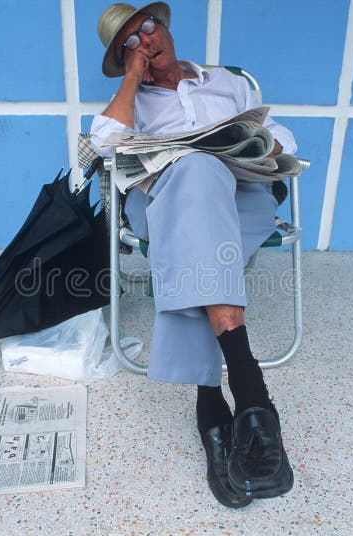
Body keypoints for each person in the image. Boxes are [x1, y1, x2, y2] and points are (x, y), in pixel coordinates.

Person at [90, 2, 297, 508]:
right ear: (124, 59)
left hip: (243, 198)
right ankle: (251, 395)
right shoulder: (131, 100)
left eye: (147, 28)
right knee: (196, 172)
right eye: (130, 43)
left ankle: (213, 413)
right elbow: (105, 145)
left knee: (200, 232)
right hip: (163, 206)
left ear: (164, 26)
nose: (145, 41)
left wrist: (264, 147)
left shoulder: (228, 83)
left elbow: (283, 136)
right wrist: (132, 79)